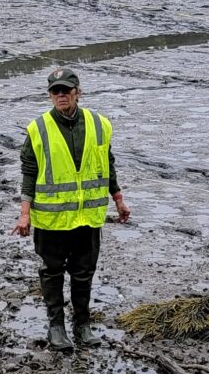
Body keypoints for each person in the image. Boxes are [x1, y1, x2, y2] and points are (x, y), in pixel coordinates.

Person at [15, 67, 129, 349]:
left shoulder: (98, 124)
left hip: (87, 216)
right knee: (51, 272)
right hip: (51, 219)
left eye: (66, 90)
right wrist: (25, 213)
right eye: (56, 91)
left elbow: (108, 163)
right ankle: (56, 326)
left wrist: (118, 198)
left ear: (78, 92)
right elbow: (29, 171)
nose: (61, 95)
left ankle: (82, 325)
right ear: (50, 95)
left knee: (83, 272)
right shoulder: (38, 128)